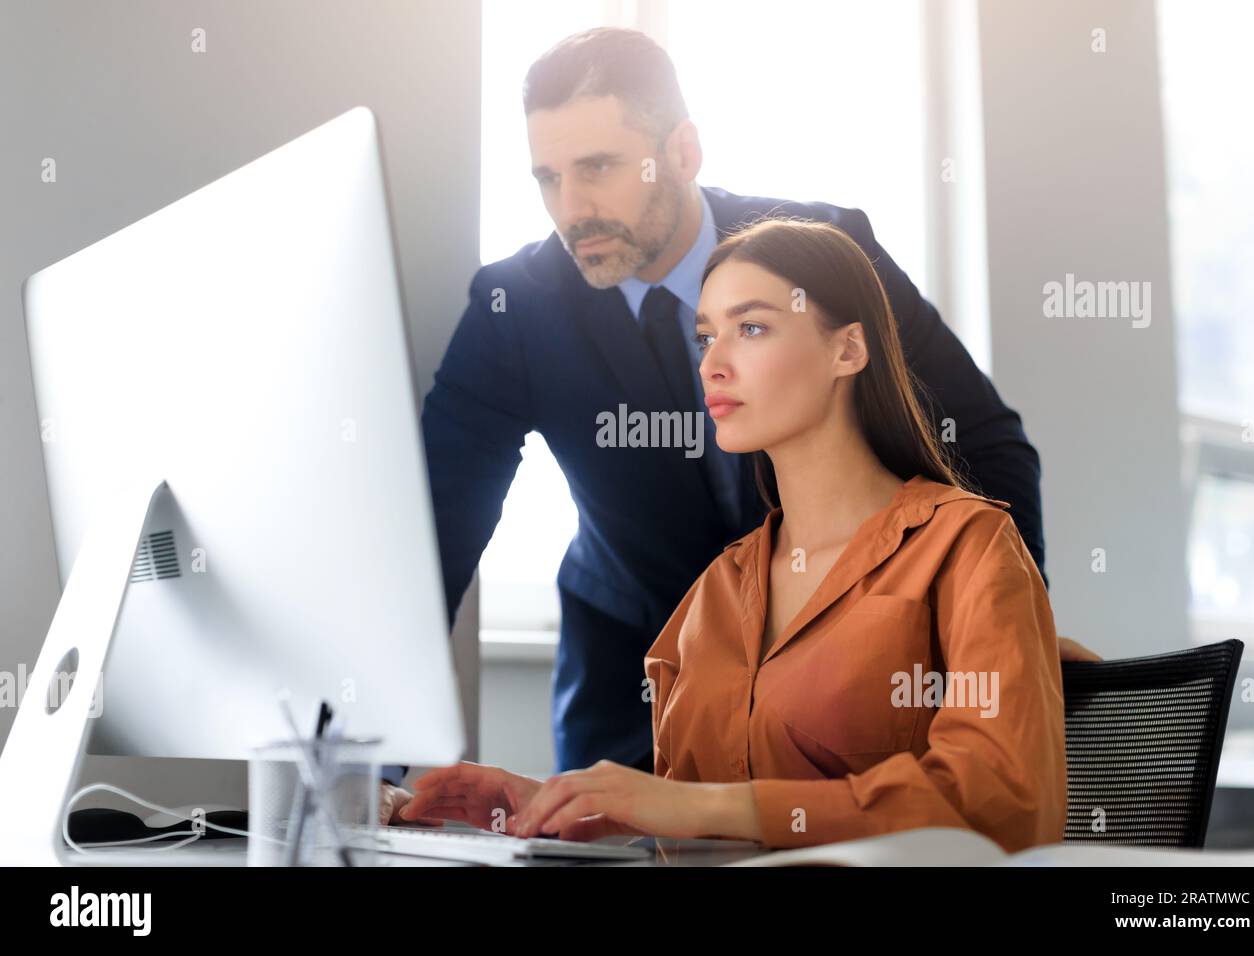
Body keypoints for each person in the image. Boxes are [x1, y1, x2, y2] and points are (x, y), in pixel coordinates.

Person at [380, 26, 1098, 825]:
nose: (571, 211)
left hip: (840, 675)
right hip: (644, 664)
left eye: (599, 169)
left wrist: (998, 634)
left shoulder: (818, 257)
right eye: (547, 177)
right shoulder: (517, 307)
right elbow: (433, 526)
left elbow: (984, 442)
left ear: (683, 152)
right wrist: (361, 759)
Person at [397, 218, 1067, 852]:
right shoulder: (718, 591)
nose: (712, 363)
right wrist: (560, 805)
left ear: (847, 348)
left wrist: (708, 807)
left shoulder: (968, 547)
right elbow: (687, 825)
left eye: (751, 328)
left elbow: (999, 803)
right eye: (704, 336)